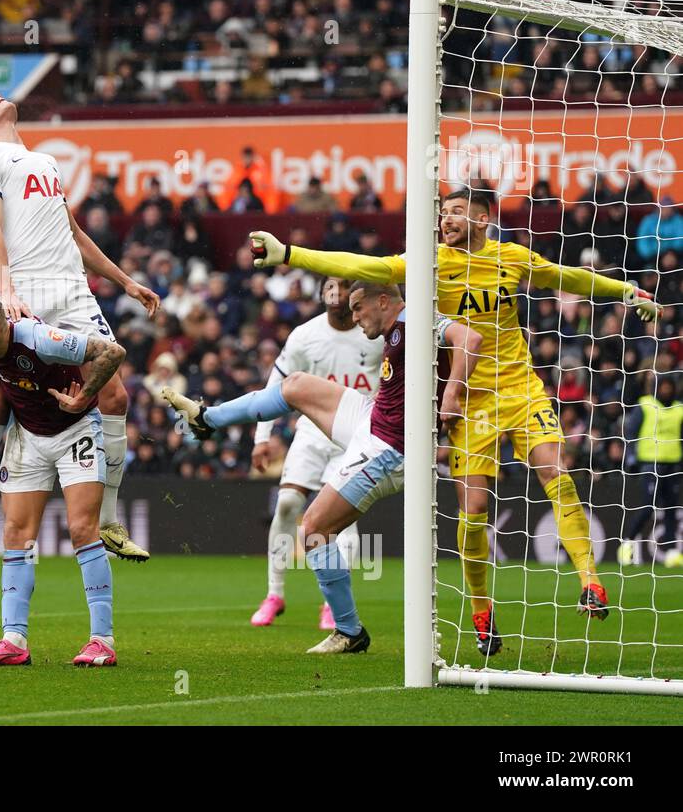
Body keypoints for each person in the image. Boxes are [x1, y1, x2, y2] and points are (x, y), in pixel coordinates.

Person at [247, 185, 663, 650]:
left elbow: (571, 277)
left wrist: (626, 289)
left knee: (556, 473)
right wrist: (289, 253)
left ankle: (590, 582)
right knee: (474, 510)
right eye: (443, 212)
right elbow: (363, 268)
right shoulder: (430, 262)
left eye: (457, 212)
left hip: (520, 387)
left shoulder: (512, 257)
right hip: (469, 401)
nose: (445, 219)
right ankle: (482, 611)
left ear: (483, 219)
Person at [163, 281, 482, 653]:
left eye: (359, 307)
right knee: (295, 384)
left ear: (383, 300)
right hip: (371, 419)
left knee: (314, 528)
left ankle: (348, 631)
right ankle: (207, 418)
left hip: (392, 447)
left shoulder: (420, 319)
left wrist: (452, 392)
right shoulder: (392, 328)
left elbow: (470, 339)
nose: (355, 316)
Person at [0, 91, 161, 584]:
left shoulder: (44, 161)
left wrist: (125, 281)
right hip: (23, 287)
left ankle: (109, 519)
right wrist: (4, 290)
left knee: (114, 395)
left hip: (71, 292)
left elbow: (72, 233)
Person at [0, 290, 127, 666]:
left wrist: (84, 397)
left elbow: (113, 353)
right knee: (18, 534)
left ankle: (102, 640)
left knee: (82, 529)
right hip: (28, 438)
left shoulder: (38, 339)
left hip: (75, 432)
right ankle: (13, 639)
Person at [248, 276, 384, 630]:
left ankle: (331, 604)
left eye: (342, 287)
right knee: (287, 504)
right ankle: (274, 593)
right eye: (328, 287)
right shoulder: (304, 336)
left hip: (356, 436)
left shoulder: (374, 333)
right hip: (311, 430)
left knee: (343, 522)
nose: (335, 294)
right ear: (321, 294)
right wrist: (262, 436)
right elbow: (275, 384)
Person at [620, 374, 683, 568]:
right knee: (649, 506)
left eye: (668, 386)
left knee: (671, 508)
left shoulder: (680, 409)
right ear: (656, 387)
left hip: (673, 463)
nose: (666, 390)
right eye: (662, 386)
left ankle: (672, 551)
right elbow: (630, 431)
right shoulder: (645, 405)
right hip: (650, 463)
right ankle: (627, 543)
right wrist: (630, 456)